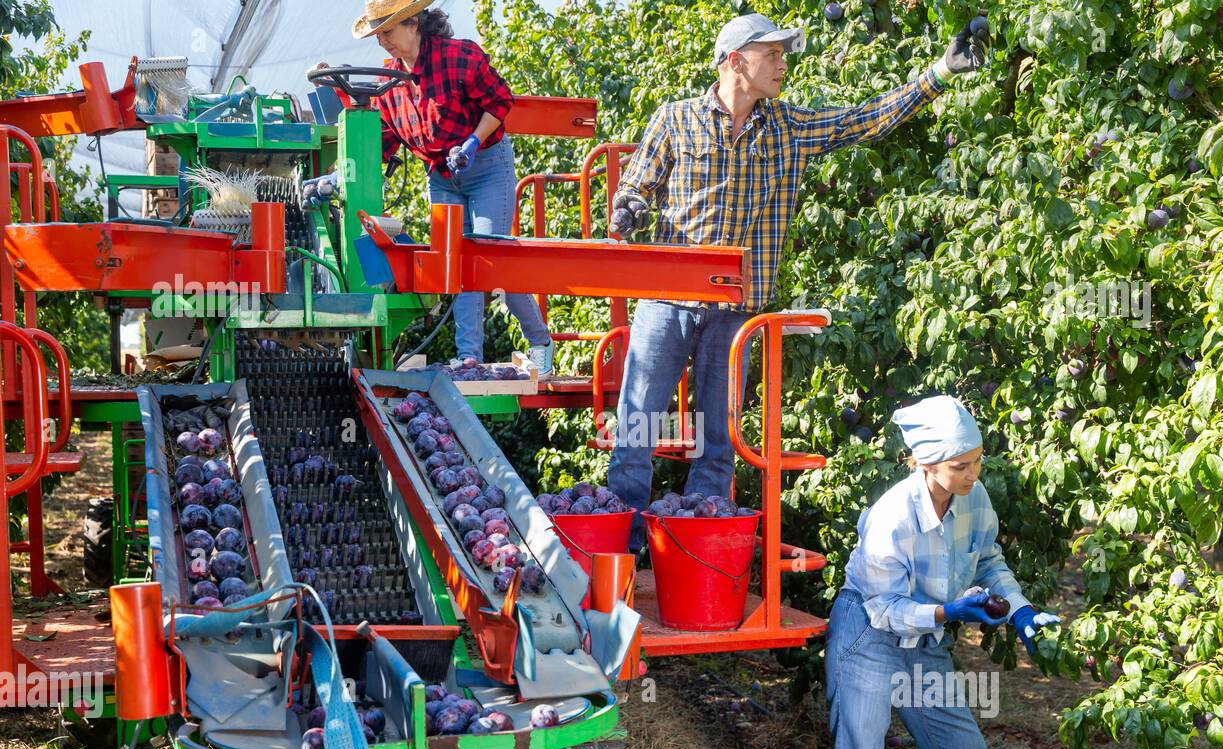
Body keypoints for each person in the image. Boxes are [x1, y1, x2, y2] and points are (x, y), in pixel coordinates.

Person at [606, 13, 988, 549]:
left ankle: (692, 550)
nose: (784, 64)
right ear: (736, 61)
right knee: (637, 429)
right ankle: (619, 552)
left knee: (719, 441)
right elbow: (637, 188)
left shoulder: (788, 128)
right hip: (666, 302)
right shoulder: (674, 120)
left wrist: (939, 74)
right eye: (774, 54)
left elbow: (864, 120)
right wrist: (630, 211)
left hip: (736, 311)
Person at [825, 395, 1062, 749]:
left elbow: (989, 558)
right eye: (960, 466)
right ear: (924, 463)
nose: (972, 475)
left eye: (977, 461)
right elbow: (886, 607)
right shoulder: (891, 517)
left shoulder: (974, 498)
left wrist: (1021, 610)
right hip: (868, 635)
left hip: (926, 637)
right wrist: (951, 612)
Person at [309, 0, 554, 374]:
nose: (382, 42)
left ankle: (540, 342)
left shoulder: (459, 57)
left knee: (493, 263)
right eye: (377, 35)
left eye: (387, 32)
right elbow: (385, 140)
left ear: (413, 24)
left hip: (485, 165)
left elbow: (500, 101)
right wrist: (341, 174)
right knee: (455, 261)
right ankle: (469, 357)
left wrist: (472, 142)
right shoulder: (389, 81)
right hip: (440, 174)